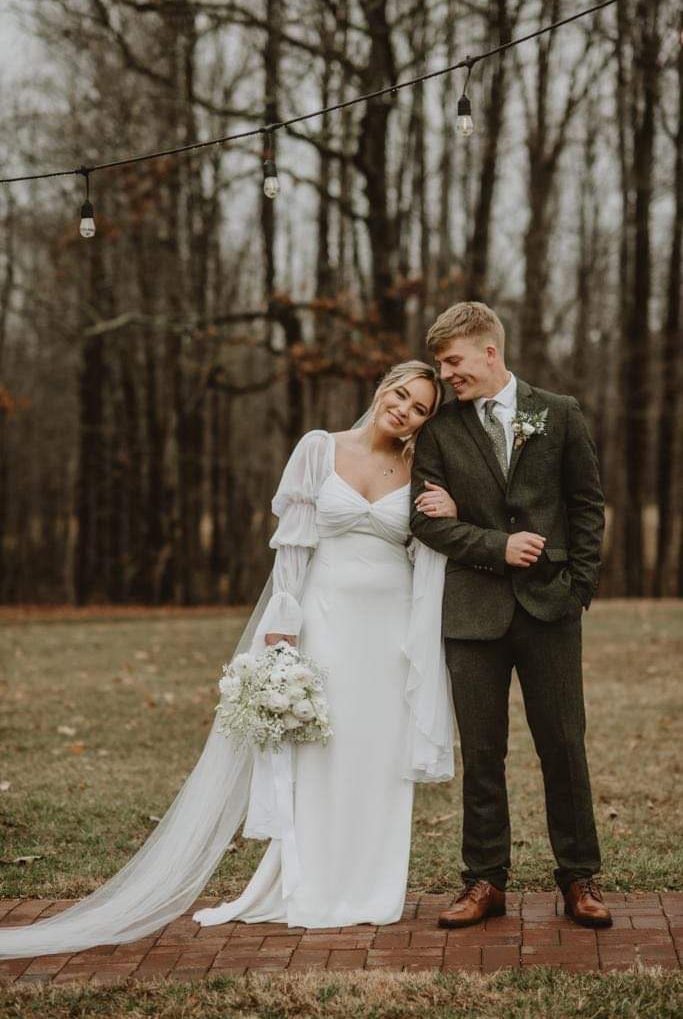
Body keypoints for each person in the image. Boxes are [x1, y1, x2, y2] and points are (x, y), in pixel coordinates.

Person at [0, 360, 457, 959]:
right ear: (382, 388)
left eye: (420, 408)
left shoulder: (420, 470)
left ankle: (373, 887)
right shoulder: (318, 450)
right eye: (401, 395)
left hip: (391, 628)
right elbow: (291, 549)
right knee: (324, 749)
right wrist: (281, 631)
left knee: (377, 752)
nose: (404, 410)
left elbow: (427, 548)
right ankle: (312, 883)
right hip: (327, 619)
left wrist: (449, 509)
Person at [410, 301, 612, 930]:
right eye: (443, 365)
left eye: (454, 362)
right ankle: (484, 882)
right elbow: (423, 521)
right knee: (484, 751)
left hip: (551, 607)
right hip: (472, 615)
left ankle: (579, 879)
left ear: (489, 352)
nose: (447, 376)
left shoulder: (559, 414)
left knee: (563, 744)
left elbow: (586, 505)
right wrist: (496, 545)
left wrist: (578, 586)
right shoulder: (440, 432)